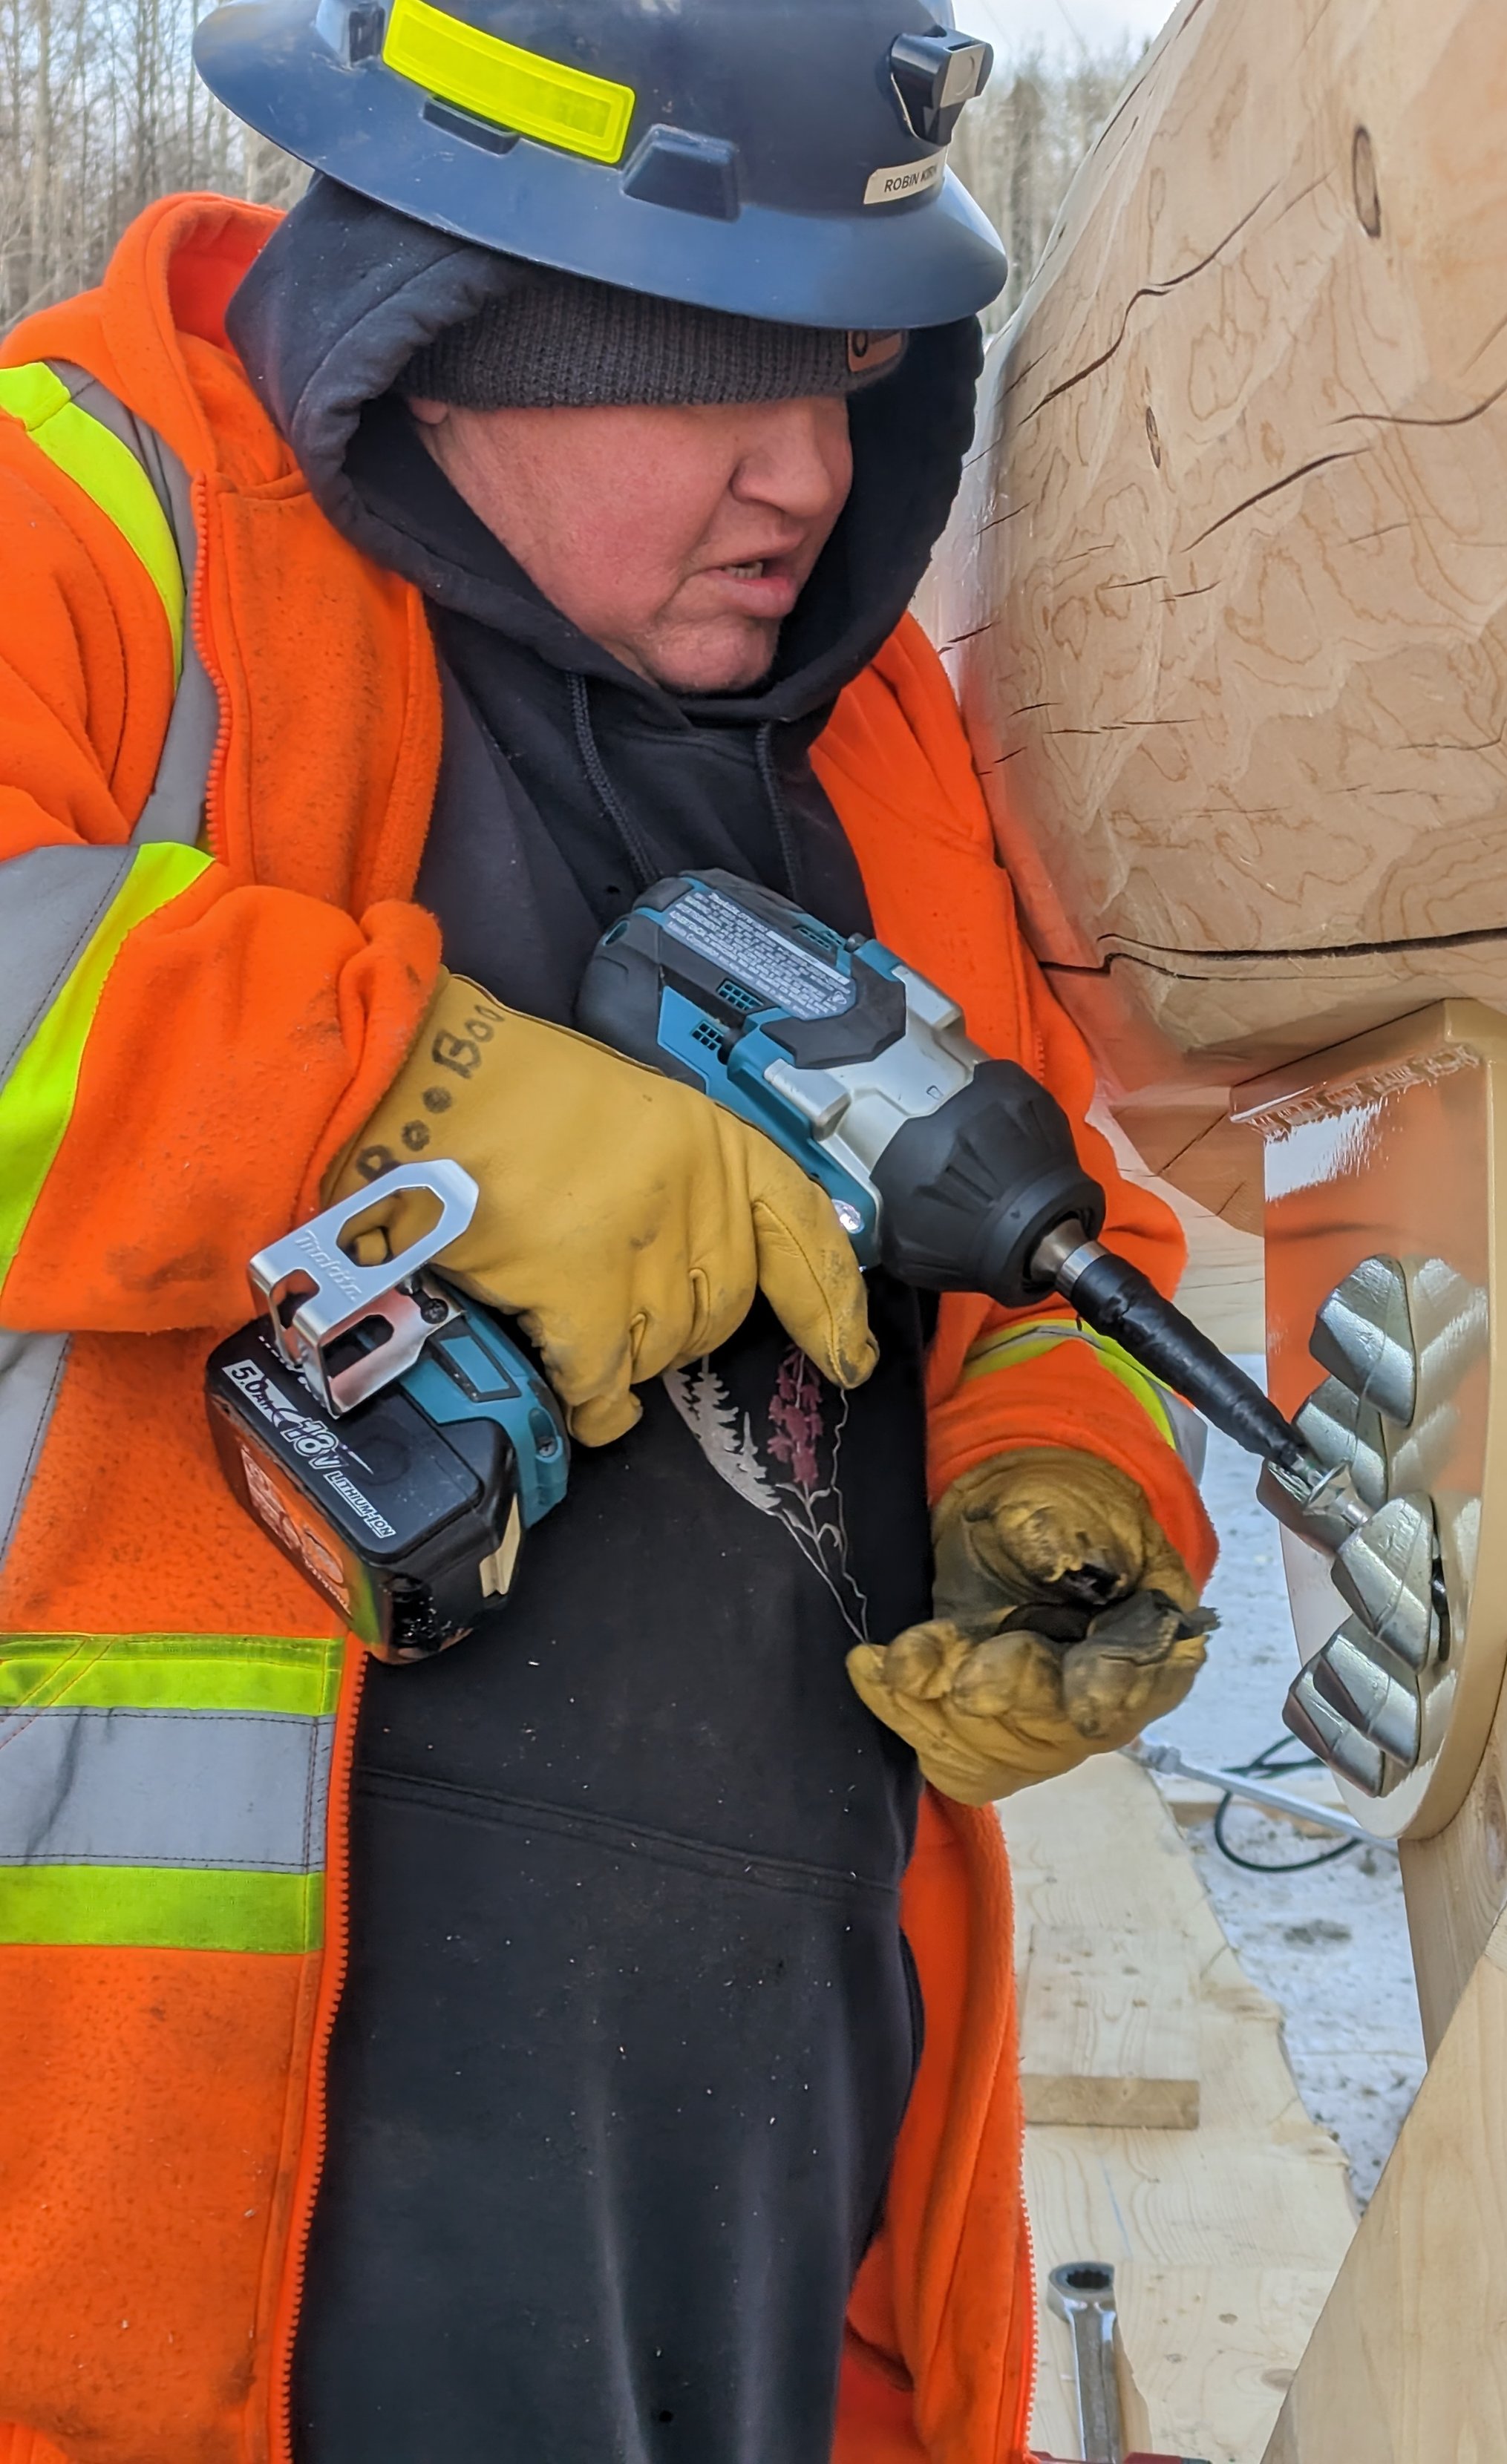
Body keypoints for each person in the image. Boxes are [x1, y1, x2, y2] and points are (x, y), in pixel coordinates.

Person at [0, 2, 1215, 2456]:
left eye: (856, 378)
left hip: (778, 2182)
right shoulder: (90, 512)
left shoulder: (861, 727)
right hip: (188, 2224)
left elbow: (1033, 1208)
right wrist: (406, 1091)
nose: (812, 474)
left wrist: (1073, 1460)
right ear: (462, 336)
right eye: (724, 386)